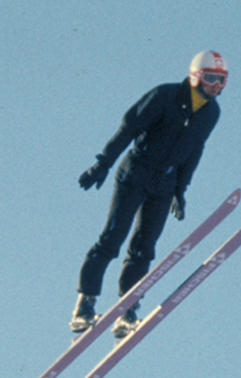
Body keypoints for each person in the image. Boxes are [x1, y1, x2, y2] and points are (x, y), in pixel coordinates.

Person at [70, 50, 227, 337]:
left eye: (222, 80)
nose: (216, 86)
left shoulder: (211, 113)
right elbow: (129, 127)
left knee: (144, 248)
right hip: (136, 173)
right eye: (211, 78)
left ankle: (127, 311)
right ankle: (85, 305)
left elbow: (195, 151)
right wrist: (103, 163)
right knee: (112, 239)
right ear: (195, 76)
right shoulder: (165, 96)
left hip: (164, 184)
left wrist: (181, 189)